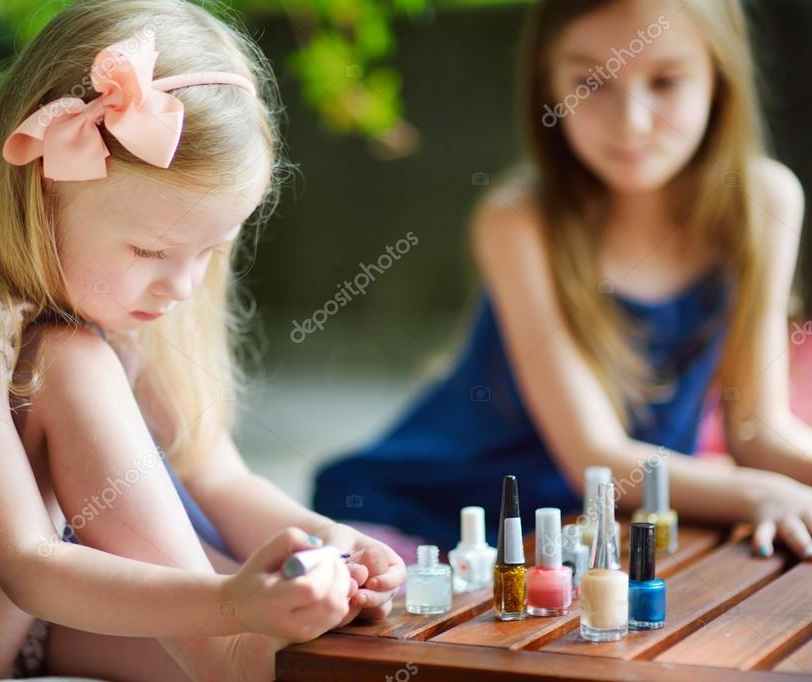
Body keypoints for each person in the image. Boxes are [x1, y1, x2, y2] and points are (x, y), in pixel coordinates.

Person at [0, 1, 404, 679]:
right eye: (150, 250)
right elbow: (25, 561)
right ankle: (223, 652)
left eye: (212, 250)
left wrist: (333, 546)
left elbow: (216, 475)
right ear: (40, 195)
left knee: (297, 626)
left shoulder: (146, 297)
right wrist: (229, 605)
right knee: (71, 365)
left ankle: (241, 640)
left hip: (37, 624)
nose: (181, 285)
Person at [314, 0, 812, 563]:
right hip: (435, 522)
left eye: (667, 81)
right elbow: (594, 457)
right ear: (548, 85)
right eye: (592, 83)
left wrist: (775, 482)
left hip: (598, 534)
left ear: (720, 80)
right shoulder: (518, 222)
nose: (632, 122)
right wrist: (758, 493)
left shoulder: (763, 201)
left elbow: (759, 431)